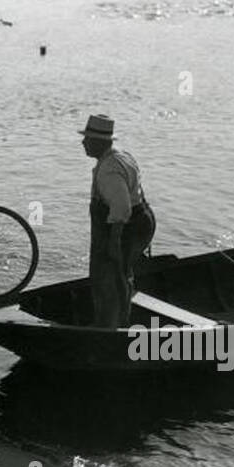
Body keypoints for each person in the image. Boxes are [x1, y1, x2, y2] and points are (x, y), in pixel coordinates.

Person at [81, 114, 156, 329]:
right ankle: (119, 322)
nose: (83, 142)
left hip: (126, 228)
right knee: (121, 274)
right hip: (142, 219)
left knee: (109, 278)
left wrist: (114, 242)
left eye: (88, 139)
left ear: (99, 142)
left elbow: (122, 207)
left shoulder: (108, 170)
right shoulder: (120, 156)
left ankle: (110, 328)